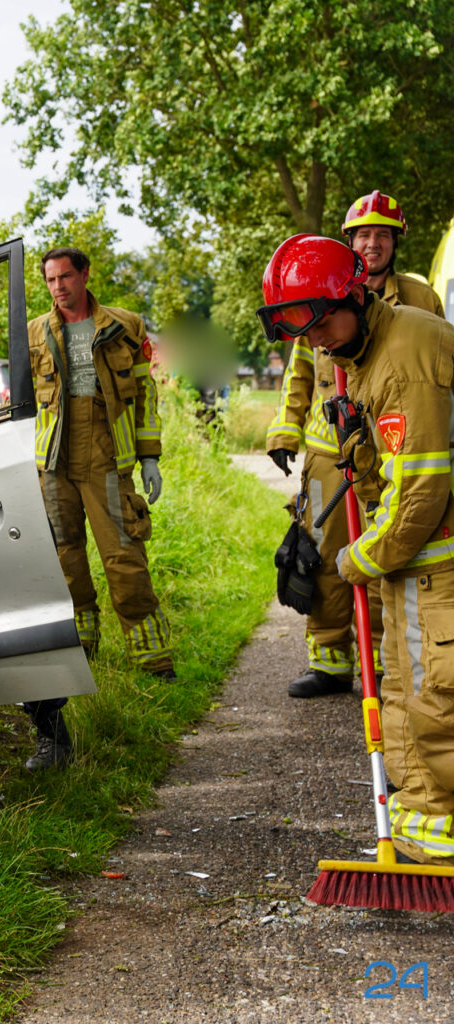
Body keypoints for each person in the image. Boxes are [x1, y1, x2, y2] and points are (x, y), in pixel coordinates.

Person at [258, 232, 454, 864]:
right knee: (398, 686)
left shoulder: (404, 357)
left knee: (435, 696)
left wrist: (360, 559)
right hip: (412, 565)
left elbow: (421, 493)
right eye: (297, 328)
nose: (311, 340)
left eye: (316, 321)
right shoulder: (360, 353)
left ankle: (442, 821)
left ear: (351, 296)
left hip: (436, 559)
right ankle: (422, 810)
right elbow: (380, 472)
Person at [264, 192, 443, 698]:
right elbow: (298, 373)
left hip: (388, 448)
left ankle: (384, 658)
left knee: (391, 544)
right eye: (363, 235)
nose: (372, 243)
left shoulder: (418, 299)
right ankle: (329, 659)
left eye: (382, 235)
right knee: (325, 551)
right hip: (329, 452)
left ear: (395, 243)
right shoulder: (314, 289)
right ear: (350, 241)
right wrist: (284, 430)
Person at [27, 247, 173, 769]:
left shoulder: (125, 326)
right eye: (50, 279)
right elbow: (22, 402)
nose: (58, 286)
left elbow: (146, 396)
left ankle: (153, 658)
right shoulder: (33, 332)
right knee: (64, 556)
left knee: (123, 554)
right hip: (54, 462)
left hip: (108, 458)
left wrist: (150, 456)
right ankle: (82, 647)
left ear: (86, 275)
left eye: (66, 276)